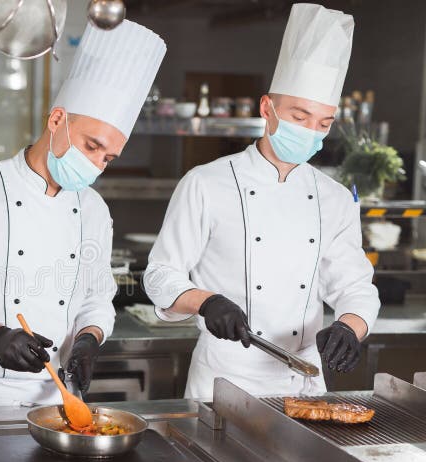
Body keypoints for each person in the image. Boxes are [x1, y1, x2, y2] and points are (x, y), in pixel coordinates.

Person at [0, 21, 166, 408]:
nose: (96, 164)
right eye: (91, 145)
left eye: (107, 157)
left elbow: (98, 297)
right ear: (57, 120)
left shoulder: (94, 210)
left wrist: (89, 337)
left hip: (56, 400)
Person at [143, 3, 380, 400]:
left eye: (323, 123)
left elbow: (355, 285)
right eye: (300, 117)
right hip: (223, 380)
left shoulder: (336, 199)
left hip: (303, 382)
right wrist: (207, 301)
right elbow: (160, 275)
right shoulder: (206, 183)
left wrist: (350, 327)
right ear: (267, 108)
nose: (311, 133)